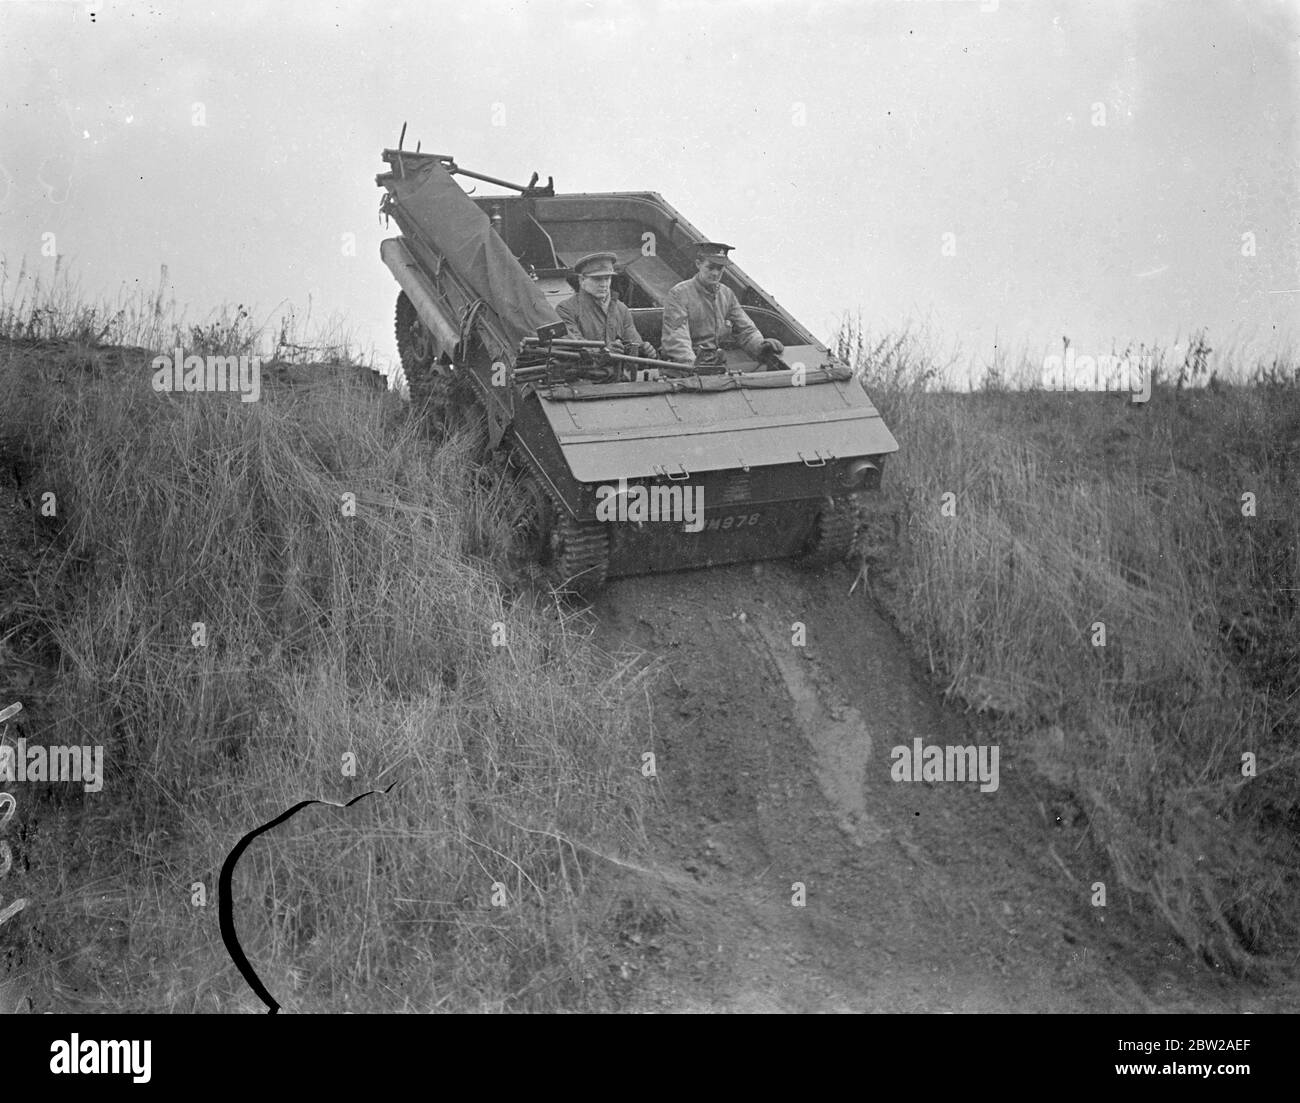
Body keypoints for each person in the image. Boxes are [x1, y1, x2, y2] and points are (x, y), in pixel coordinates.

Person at [660, 242, 785, 369]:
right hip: (684, 367)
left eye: (720, 268)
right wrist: (693, 366)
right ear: (698, 264)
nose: (715, 273)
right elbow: (676, 337)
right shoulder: (679, 294)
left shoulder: (726, 294)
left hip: (714, 363)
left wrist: (760, 346)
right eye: (710, 267)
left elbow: (745, 329)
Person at [556, 252, 658, 380]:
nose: (604, 284)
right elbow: (575, 347)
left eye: (607, 278)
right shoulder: (566, 309)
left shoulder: (621, 309)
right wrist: (604, 353)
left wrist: (644, 352)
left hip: (619, 380)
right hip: (585, 382)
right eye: (597, 279)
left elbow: (634, 343)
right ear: (582, 280)